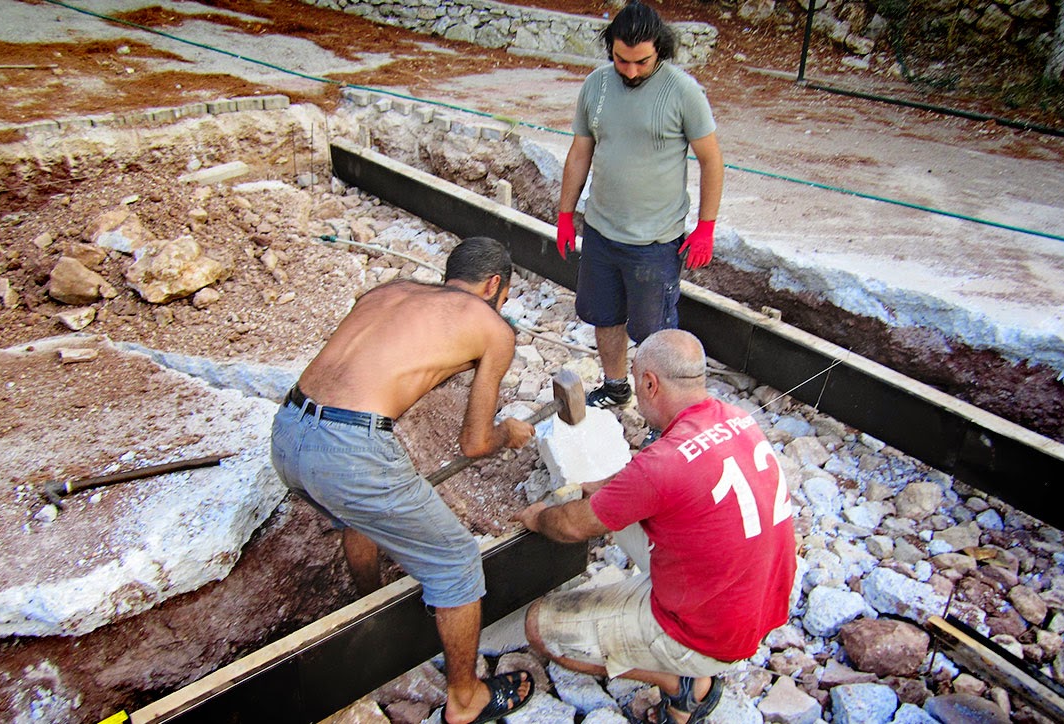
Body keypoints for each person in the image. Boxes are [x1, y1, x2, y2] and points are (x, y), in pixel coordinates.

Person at [270, 236, 536, 724]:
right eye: (505, 296)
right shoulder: (492, 326)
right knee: (456, 560)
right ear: (496, 285)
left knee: (362, 513)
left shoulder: (389, 291)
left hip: (288, 432)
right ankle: (465, 699)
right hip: (348, 451)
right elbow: (474, 444)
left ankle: (369, 602)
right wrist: (508, 432)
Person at [515, 329, 796, 724]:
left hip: (713, 635)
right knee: (624, 512)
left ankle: (681, 682)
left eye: (634, 380)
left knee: (539, 628)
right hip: (763, 604)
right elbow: (646, 484)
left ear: (650, 383)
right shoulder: (735, 418)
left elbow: (572, 526)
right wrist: (600, 487)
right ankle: (688, 658)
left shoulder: (663, 463)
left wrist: (538, 517)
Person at [556, 1, 725, 409]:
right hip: (601, 231)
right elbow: (580, 152)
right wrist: (565, 215)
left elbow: (711, 160)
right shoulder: (596, 86)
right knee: (604, 317)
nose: (630, 71)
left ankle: (665, 418)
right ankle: (616, 387)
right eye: (621, 60)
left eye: (641, 62)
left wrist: (706, 227)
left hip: (654, 242)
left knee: (657, 339)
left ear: (660, 51)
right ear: (610, 49)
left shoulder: (683, 92)